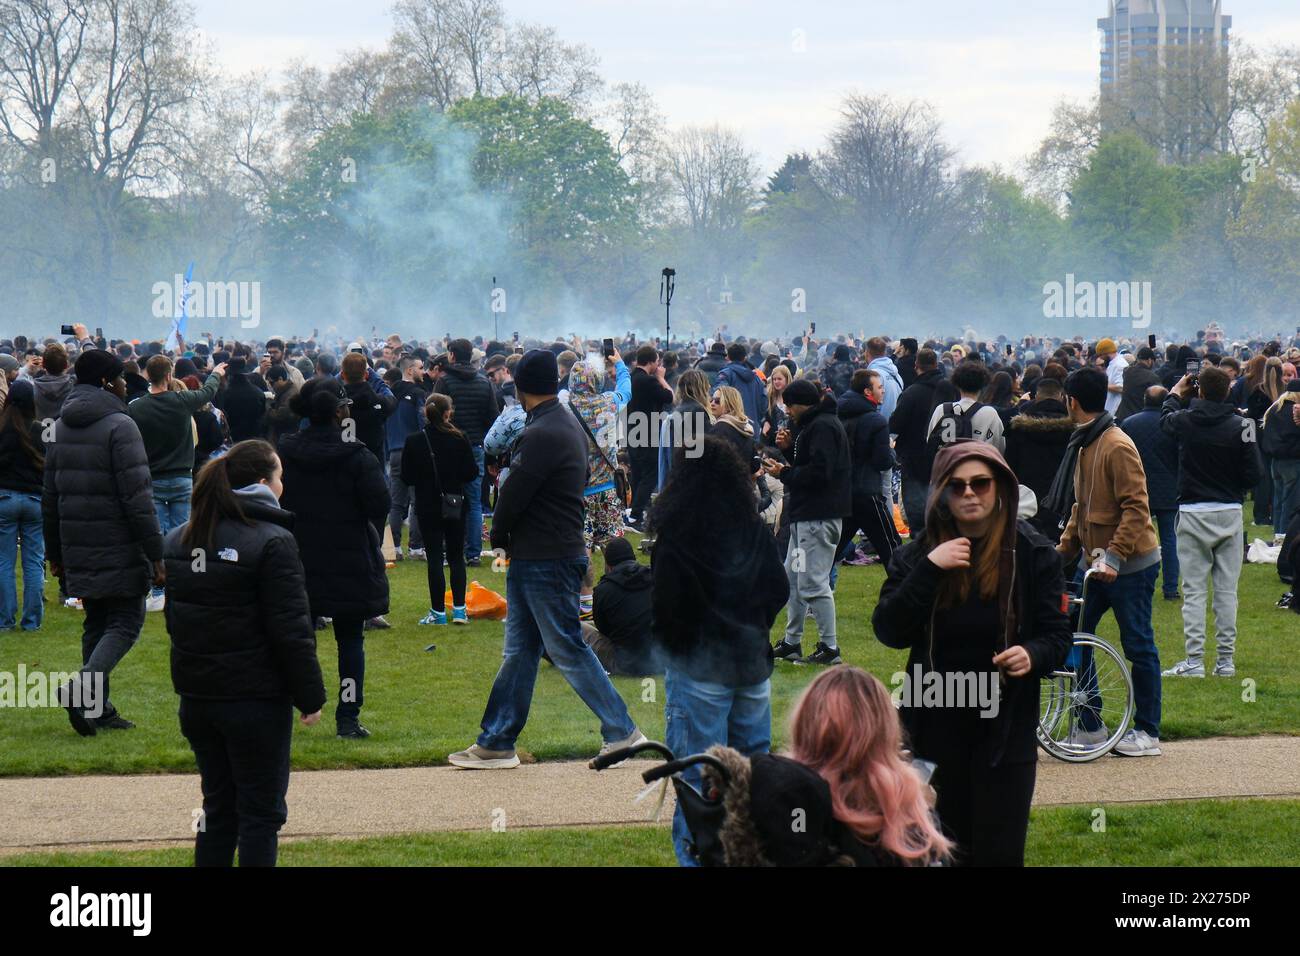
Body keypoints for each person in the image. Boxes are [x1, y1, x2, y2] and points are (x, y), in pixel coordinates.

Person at [873, 440, 1071, 865]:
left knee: (998, 853)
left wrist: (1031, 654)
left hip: (1004, 732)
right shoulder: (918, 554)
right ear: (942, 492)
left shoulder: (1033, 553)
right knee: (938, 854)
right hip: (932, 728)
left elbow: (1058, 638)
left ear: (999, 488)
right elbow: (889, 629)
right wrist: (930, 569)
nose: (969, 494)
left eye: (980, 483)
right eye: (957, 485)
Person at [449, 349, 645, 769]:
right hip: (546, 553)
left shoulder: (542, 433)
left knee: (567, 647)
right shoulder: (560, 423)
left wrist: (498, 535)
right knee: (520, 652)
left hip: (546, 556)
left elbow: (514, 493)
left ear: (519, 387)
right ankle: (497, 741)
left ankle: (622, 730)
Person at [163, 440, 326, 867]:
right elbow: (291, 630)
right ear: (263, 483)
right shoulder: (272, 543)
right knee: (258, 813)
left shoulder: (182, 539)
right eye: (279, 476)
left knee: (219, 809)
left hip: (200, 698)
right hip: (251, 699)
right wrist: (310, 696)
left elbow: (179, 624)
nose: (282, 484)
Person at [650, 436, 789, 865]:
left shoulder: (677, 533)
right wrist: (752, 627)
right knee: (750, 781)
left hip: (702, 670)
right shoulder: (750, 528)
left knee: (697, 783)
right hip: (748, 668)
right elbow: (778, 587)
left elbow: (666, 606)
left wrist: (684, 645)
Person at [45, 349, 164, 735]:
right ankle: (81, 692)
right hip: (118, 540)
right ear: (105, 382)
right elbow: (138, 497)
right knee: (126, 621)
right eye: (120, 378)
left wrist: (56, 553)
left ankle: (98, 707)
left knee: (97, 622)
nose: (126, 384)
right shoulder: (120, 426)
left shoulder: (60, 425)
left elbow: (50, 496)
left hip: (77, 540)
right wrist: (156, 553)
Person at [1053, 367, 1163, 756]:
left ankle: (1148, 732)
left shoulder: (1116, 444)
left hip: (1129, 564)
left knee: (1138, 644)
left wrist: (1114, 557)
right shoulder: (1086, 442)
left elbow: (1137, 508)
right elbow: (1082, 508)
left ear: (1073, 401)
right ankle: (1091, 724)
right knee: (1072, 637)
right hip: (1094, 563)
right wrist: (1061, 553)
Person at [277, 378, 390, 739]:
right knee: (350, 640)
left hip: (299, 552)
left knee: (297, 638)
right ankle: (348, 717)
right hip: (348, 552)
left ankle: (296, 705)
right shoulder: (356, 454)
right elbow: (379, 504)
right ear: (340, 412)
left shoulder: (286, 451)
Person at [787, 667, 951, 866]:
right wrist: (923, 814)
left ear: (804, 727)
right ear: (886, 734)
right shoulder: (908, 827)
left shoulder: (775, 804)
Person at [1159, 366, 1263, 679]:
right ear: (1228, 391)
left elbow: (1165, 421)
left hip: (1193, 510)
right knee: (1226, 591)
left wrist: (1176, 394)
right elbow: (1254, 473)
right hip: (1229, 509)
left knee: (1193, 591)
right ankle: (1225, 661)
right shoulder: (1244, 424)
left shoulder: (1186, 421)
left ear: (1200, 390)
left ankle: (1193, 660)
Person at [127, 355, 226, 612]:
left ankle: (158, 588)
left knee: (157, 537)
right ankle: (185, 585)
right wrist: (215, 373)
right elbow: (207, 391)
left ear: (148, 375)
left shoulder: (137, 408)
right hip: (181, 477)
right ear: (170, 375)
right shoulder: (181, 402)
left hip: (153, 478)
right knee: (185, 535)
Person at [764, 378, 852, 666]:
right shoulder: (816, 425)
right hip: (807, 516)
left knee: (813, 583)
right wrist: (790, 451)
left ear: (801, 404)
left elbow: (820, 473)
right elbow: (811, 464)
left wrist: (784, 473)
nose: (787, 411)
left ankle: (830, 647)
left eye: (790, 405)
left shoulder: (823, 426)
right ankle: (792, 642)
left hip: (818, 515)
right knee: (793, 579)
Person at [401, 393, 480, 626]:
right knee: (456, 556)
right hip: (455, 502)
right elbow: (471, 473)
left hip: (427, 504)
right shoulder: (459, 438)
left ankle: (437, 612)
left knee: (434, 557)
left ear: (426, 412)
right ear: (448, 412)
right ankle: (459, 610)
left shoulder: (415, 440)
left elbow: (406, 476)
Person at [565, 355, 632, 618]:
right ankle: (615, 594)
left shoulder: (565, 408)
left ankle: (586, 601)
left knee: (581, 547)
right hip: (607, 488)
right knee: (613, 544)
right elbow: (626, 391)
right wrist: (619, 364)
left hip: (576, 490)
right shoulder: (609, 403)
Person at [434, 338, 500, 567]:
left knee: (448, 498)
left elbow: (434, 416)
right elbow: (493, 419)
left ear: (451, 355)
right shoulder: (484, 383)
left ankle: (448, 550)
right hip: (475, 446)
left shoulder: (444, 383)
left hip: (448, 446)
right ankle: (473, 553)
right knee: (473, 501)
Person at [1120, 386, 1181, 600]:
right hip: (1168, 488)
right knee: (1170, 539)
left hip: (1137, 488)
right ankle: (1171, 588)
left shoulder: (1129, 424)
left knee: (1131, 537)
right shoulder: (1173, 424)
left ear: (1144, 399)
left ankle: (1129, 583)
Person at [837, 369, 901, 568]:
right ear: (867, 392)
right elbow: (882, 462)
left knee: (832, 549)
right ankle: (907, 592)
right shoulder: (876, 421)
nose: (883, 391)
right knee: (893, 548)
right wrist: (891, 451)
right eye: (880, 387)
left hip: (844, 492)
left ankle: (810, 587)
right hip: (867, 493)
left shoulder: (839, 416)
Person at [1003, 377, 1074, 542]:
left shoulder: (1018, 428)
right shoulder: (1073, 431)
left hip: (1026, 500)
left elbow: (1009, 466)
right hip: (1062, 502)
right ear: (1061, 396)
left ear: (1036, 397)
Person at [0, 380, 46, 630]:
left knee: (4, 562)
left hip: (4, 499)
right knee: (34, 561)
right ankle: (32, 621)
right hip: (35, 500)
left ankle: (4, 620)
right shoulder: (41, 429)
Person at [890, 348, 947, 537]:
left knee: (916, 505)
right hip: (944, 456)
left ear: (916, 366)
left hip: (914, 456)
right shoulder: (949, 390)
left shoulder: (912, 393)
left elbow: (895, 423)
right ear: (936, 365)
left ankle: (919, 540)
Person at [585, 536, 659, 677]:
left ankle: (560, 658)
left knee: (577, 627)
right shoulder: (655, 577)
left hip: (624, 663)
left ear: (608, 564)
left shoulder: (604, 589)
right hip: (660, 660)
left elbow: (603, 630)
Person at [385, 357, 429, 561]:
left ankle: (394, 548)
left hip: (394, 452)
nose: (424, 371)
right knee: (418, 501)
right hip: (415, 452)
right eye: (421, 368)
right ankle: (416, 548)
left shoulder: (389, 394)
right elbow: (424, 426)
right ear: (410, 371)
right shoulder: (419, 394)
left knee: (396, 502)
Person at [626, 345, 673, 530]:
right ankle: (636, 514)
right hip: (648, 432)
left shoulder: (631, 379)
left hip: (632, 430)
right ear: (652, 362)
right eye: (657, 362)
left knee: (637, 472)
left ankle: (634, 512)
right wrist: (661, 378)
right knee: (651, 474)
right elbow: (669, 397)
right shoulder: (649, 381)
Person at [925, 360, 1005, 454]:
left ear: (957, 384)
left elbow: (930, 440)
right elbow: (999, 447)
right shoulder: (990, 413)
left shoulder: (941, 409)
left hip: (945, 465)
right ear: (982, 385)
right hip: (977, 466)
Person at [656, 369, 712, 493]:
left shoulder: (677, 412)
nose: (709, 387)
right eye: (707, 384)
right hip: (692, 480)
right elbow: (706, 449)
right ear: (700, 388)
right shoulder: (697, 411)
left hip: (677, 477)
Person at [1262, 381, 1300, 543]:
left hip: (1275, 461)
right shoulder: (1294, 411)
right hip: (1292, 460)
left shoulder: (1274, 409)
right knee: (1289, 502)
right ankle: (1284, 535)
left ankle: (1278, 533)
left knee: (1278, 499)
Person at [717, 342, 767, 433]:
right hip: (753, 429)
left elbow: (718, 398)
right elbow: (764, 404)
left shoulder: (725, 375)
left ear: (727, 357)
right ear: (744, 358)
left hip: (731, 428)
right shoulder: (757, 378)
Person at [707, 384, 758, 464]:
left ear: (730, 404)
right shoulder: (745, 428)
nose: (712, 403)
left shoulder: (718, 430)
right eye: (711, 400)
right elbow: (755, 465)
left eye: (717, 401)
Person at [33, 342, 75, 423]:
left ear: (43, 365)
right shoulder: (74, 386)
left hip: (40, 432)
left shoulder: (33, 387)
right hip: (65, 432)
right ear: (66, 365)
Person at [1116, 347, 1160, 421]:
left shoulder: (1127, 372)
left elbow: (1132, 365)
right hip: (1139, 417)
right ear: (1149, 360)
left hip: (1122, 416)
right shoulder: (1152, 377)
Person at [761, 363, 791, 447]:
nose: (776, 382)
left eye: (779, 379)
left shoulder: (793, 396)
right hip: (772, 440)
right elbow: (764, 415)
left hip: (788, 440)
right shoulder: (769, 396)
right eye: (774, 379)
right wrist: (765, 423)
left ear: (786, 379)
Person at [1097, 338, 1128, 416]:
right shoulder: (1113, 364)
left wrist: (1102, 385)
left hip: (1116, 409)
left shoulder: (1120, 365)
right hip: (1110, 408)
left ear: (1106, 352)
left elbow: (1122, 387)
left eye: (1101, 355)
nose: (1101, 358)